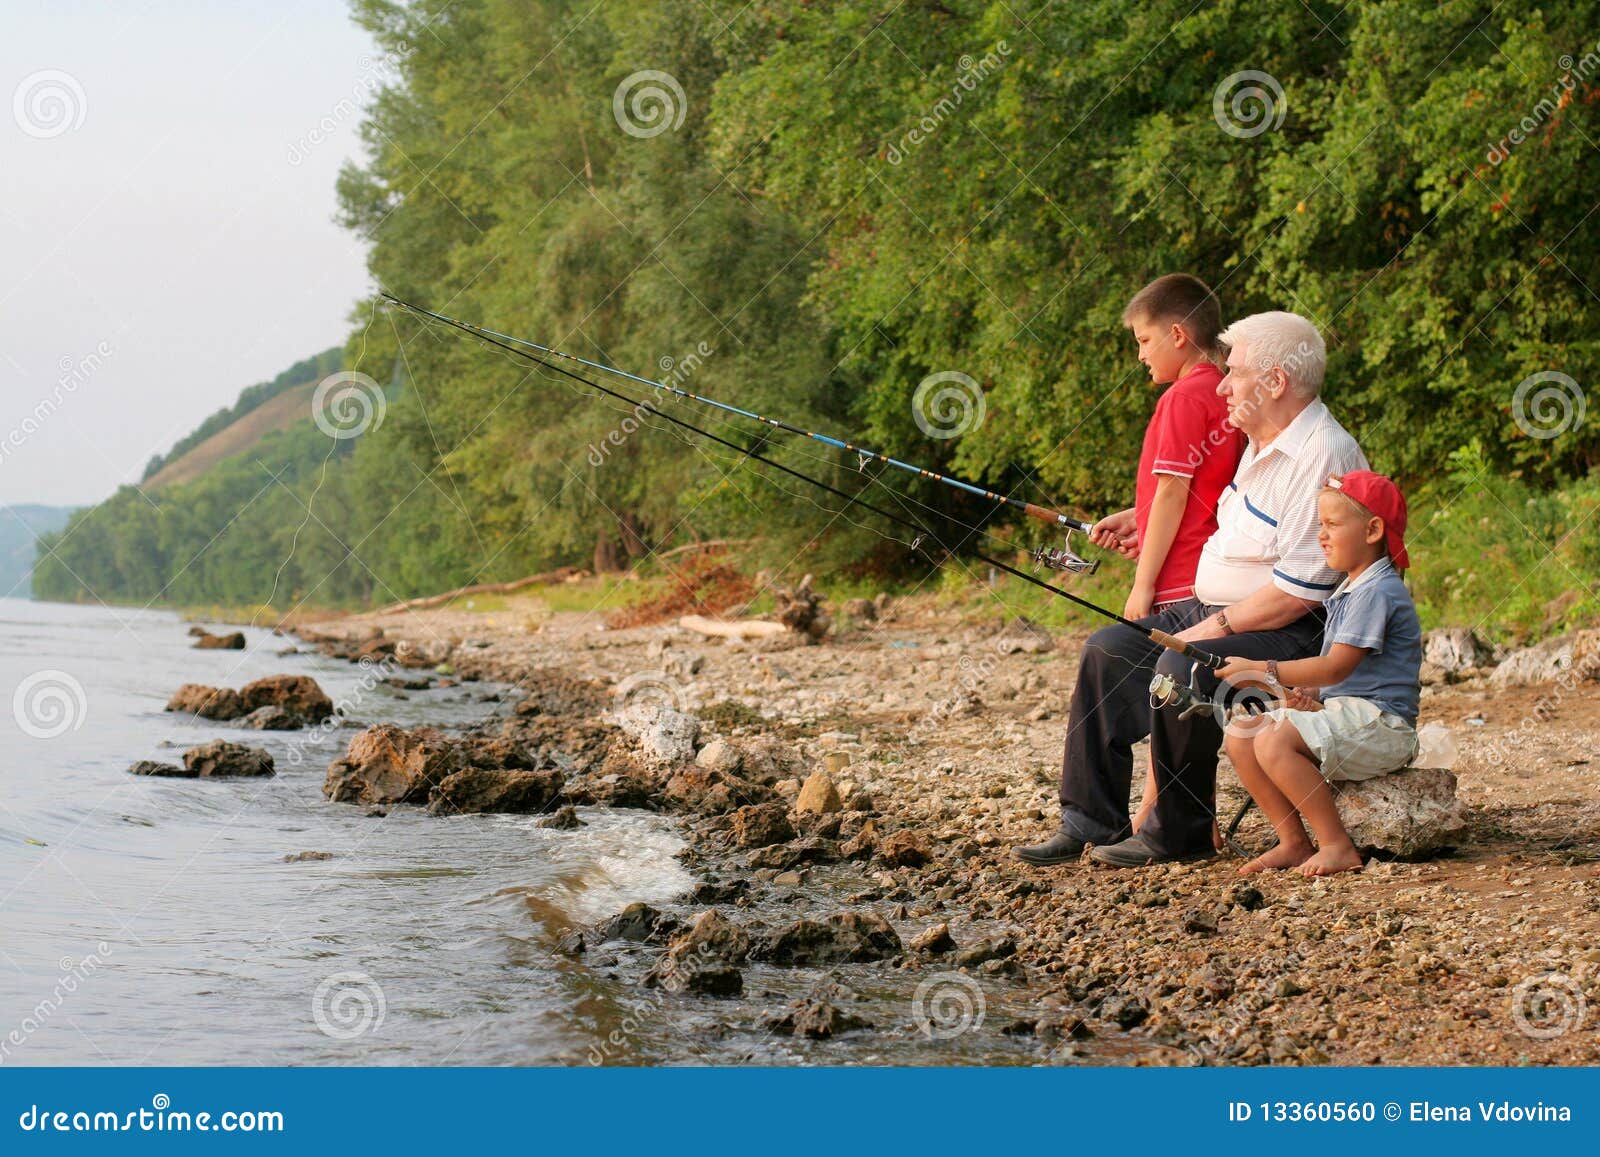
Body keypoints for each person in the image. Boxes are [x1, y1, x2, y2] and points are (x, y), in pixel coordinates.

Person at [1014, 311, 1368, 868]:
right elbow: (1216, 515)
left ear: (1275, 382)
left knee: (1185, 666)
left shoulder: (1319, 454)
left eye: (1235, 372)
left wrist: (1213, 628)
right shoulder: (1259, 444)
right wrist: (1143, 515)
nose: (1222, 383)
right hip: (1223, 612)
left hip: (1289, 630)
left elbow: (1299, 595)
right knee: (1108, 650)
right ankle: (1089, 820)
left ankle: (1181, 831)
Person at [1088, 274, 1245, 835]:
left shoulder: (1180, 398)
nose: (1139, 354)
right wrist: (1139, 516)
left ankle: (1155, 816)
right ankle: (1152, 816)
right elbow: (1202, 484)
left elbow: (1177, 491)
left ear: (1178, 334)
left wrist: (1142, 584)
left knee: (1163, 692)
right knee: (1171, 693)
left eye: (1143, 340)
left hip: (1183, 575)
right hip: (1215, 568)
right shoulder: (1227, 392)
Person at [1216, 471, 1421, 877]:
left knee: (1274, 741)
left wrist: (1260, 669)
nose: (1321, 536)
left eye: (1330, 525)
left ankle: (1336, 845)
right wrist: (1308, 696)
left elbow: (1335, 665)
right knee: (1242, 735)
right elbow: (1332, 677)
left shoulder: (1377, 591)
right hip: (1352, 715)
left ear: (1373, 530)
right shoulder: (1351, 590)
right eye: (1319, 526)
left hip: (1385, 726)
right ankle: (1293, 841)